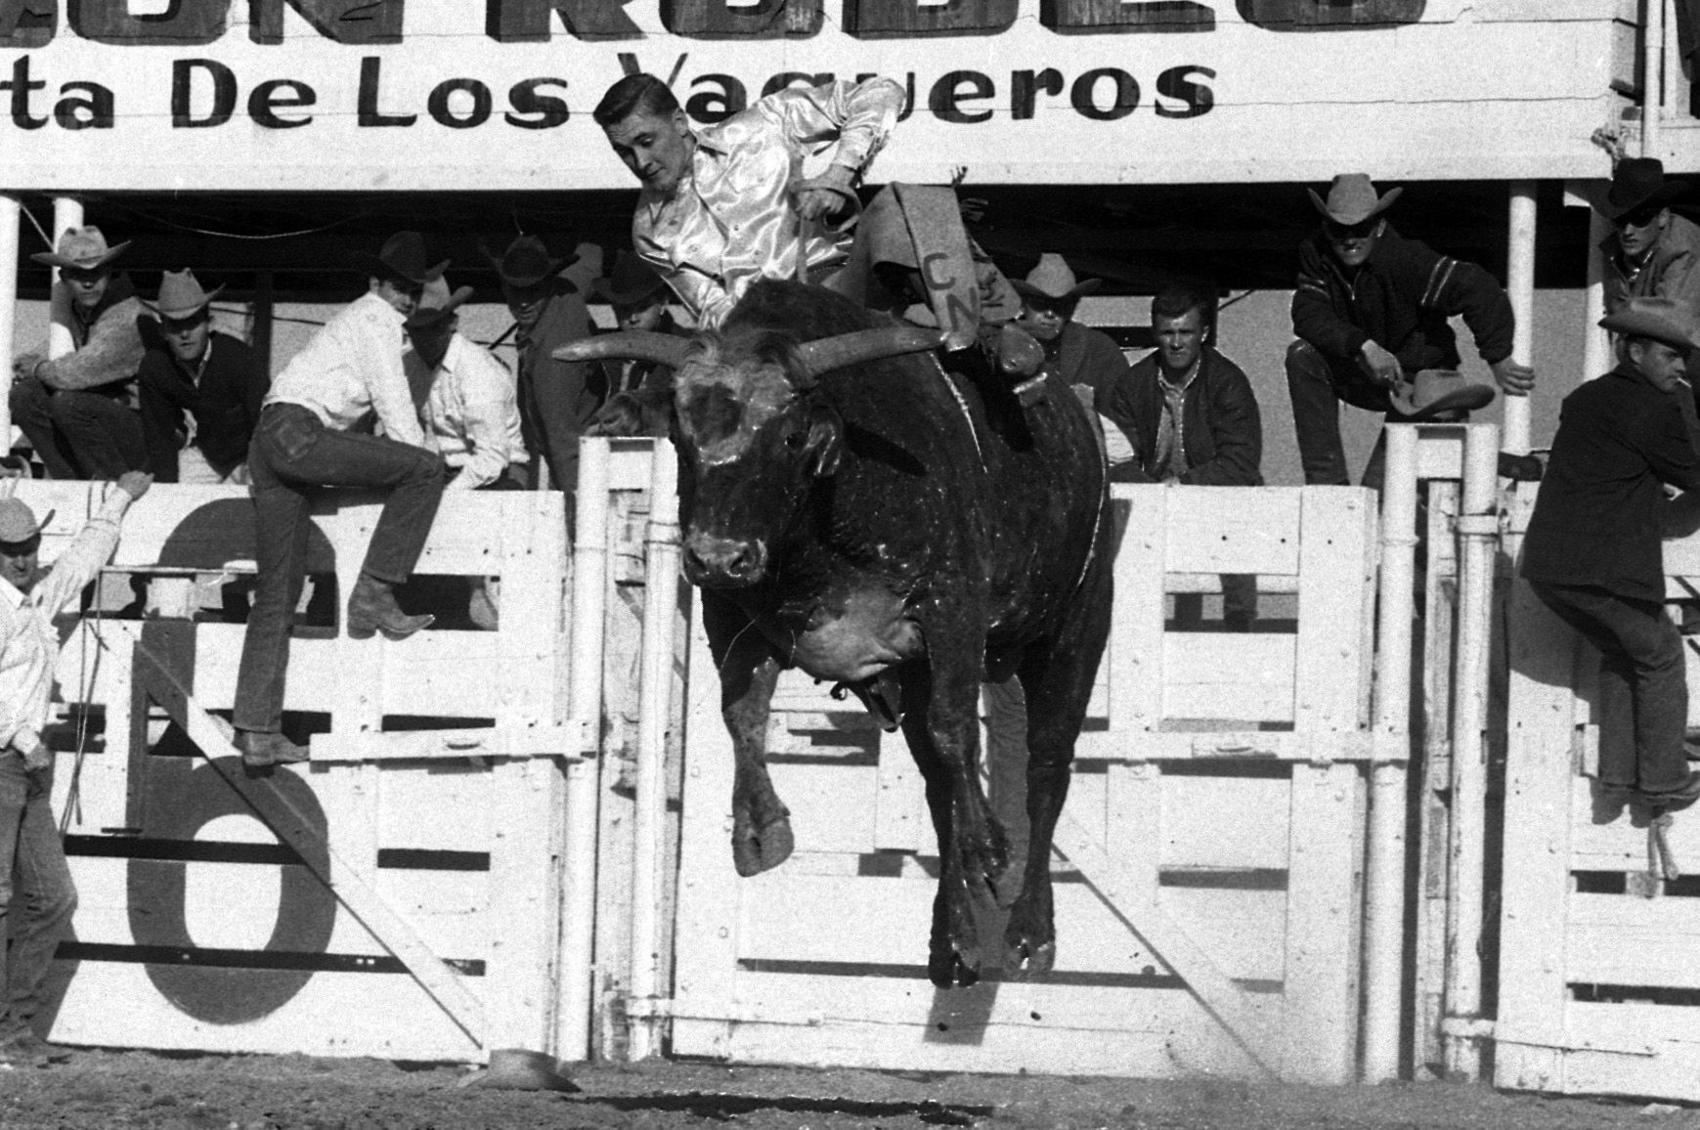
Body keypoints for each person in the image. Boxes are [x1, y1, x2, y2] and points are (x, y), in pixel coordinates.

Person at [232, 232, 448, 769]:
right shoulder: (375, 320)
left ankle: (258, 732)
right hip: (298, 432)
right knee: (425, 469)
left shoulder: (353, 321)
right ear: (378, 285)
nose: (406, 299)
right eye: (399, 288)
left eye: (413, 290)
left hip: (272, 438)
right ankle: (375, 590)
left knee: (277, 594)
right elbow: (394, 406)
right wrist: (418, 461)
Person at [1522, 297, 1700, 807]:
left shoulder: (1586, 398)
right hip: (1604, 568)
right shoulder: (1652, 407)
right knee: (1662, 656)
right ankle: (1664, 780)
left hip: (1550, 567)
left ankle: (1619, 779)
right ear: (1635, 352)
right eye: (1672, 357)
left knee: (1625, 654)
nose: (1682, 367)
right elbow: (1692, 472)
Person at [0, 470, 152, 1067]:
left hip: (22, 768)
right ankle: (10, 1035)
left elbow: (82, 560)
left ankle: (12, 1031)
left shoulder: (34, 594)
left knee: (52, 897)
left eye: (28, 546)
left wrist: (120, 497)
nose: (24, 557)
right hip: (9, 761)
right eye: (11, 550)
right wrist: (18, 733)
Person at [594, 72, 904, 330]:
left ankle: (953, 338)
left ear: (679, 122)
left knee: (901, 206)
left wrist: (839, 175)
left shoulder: (765, 124)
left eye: (646, 142)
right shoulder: (648, 231)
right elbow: (710, 308)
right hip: (766, 330)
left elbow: (882, 92)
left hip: (836, 284)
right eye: (623, 151)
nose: (641, 161)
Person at [1287, 173, 1535, 488]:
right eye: (1339, 230)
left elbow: (1478, 288)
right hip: (1367, 372)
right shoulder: (1315, 253)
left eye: (1360, 229)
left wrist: (1498, 357)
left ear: (1377, 227)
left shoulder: (1406, 260)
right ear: (1326, 228)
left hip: (1422, 388)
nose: (1349, 240)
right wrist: (1364, 346)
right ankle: (1327, 485)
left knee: (1383, 499)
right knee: (1301, 356)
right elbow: (1307, 312)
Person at [1102, 281, 1263, 630]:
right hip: (1151, 496)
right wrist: (1152, 493)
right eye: (1167, 332)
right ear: (1155, 334)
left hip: (1212, 495)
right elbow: (1118, 457)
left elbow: (1241, 461)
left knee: (1238, 504)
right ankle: (1127, 625)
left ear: (1203, 333)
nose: (1176, 342)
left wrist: (1185, 484)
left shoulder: (1228, 382)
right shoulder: (1132, 385)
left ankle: (1240, 623)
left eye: (1186, 332)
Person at [10, 227, 147, 480]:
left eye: (96, 273)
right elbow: (43, 358)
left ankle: (112, 485)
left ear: (109, 272)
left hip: (147, 430)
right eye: (77, 274)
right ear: (64, 278)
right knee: (25, 395)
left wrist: (37, 367)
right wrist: (30, 365)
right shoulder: (80, 315)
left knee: (68, 402)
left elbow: (79, 372)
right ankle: (70, 481)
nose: (87, 282)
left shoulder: (128, 316)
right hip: (105, 424)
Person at [488, 235, 603, 499]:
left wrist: (579, 511)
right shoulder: (566, 290)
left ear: (549, 284)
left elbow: (563, 442)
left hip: (576, 465)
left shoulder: (552, 357)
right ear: (503, 287)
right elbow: (590, 260)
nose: (525, 302)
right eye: (516, 290)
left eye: (533, 290)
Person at [137, 270, 268, 484]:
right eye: (175, 325)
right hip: (209, 454)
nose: (185, 334)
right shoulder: (156, 366)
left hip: (251, 454)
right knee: (175, 494)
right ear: (163, 331)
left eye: (192, 323)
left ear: (209, 323)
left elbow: (265, 423)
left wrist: (256, 467)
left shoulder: (238, 359)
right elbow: (159, 436)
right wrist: (166, 489)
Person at [404, 276, 528, 492]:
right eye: (417, 330)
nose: (425, 338)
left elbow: (492, 458)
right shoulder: (410, 363)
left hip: (499, 474)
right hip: (443, 471)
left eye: (434, 327)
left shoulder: (477, 371)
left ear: (452, 323)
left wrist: (445, 496)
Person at [1597, 157, 1700, 318]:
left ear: (1662, 217)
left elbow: (1669, 320)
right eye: (1620, 219)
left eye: (1640, 218)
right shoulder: (1613, 252)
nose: (1628, 231)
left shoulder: (1683, 248)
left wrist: (1625, 308)